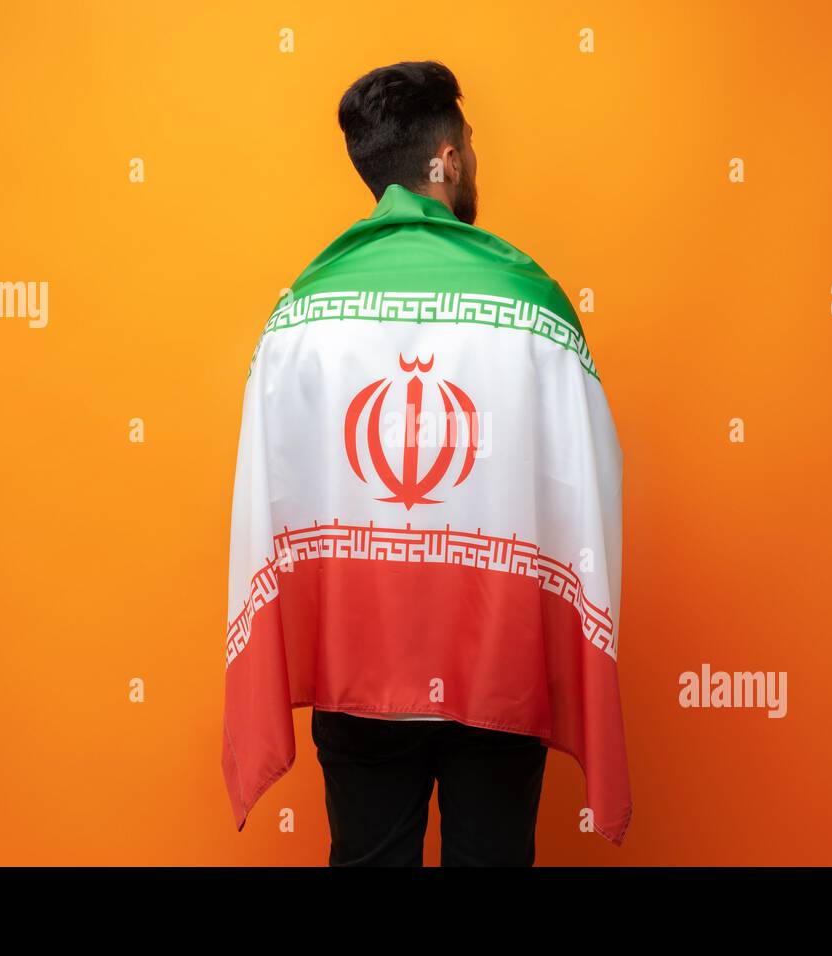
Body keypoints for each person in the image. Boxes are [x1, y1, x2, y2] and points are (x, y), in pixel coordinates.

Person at [222, 60, 630, 866]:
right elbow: (589, 477)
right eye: (469, 145)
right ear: (444, 160)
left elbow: (268, 494)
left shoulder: (302, 310)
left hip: (358, 659)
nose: (474, 160)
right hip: (497, 658)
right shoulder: (529, 303)